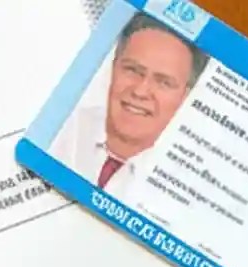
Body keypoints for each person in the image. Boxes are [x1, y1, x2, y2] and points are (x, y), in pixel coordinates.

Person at [51, 14, 207, 198]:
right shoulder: (61, 126)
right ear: (113, 67)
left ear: (186, 96)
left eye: (163, 82)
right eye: (132, 70)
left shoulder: (190, 183)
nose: (140, 91)